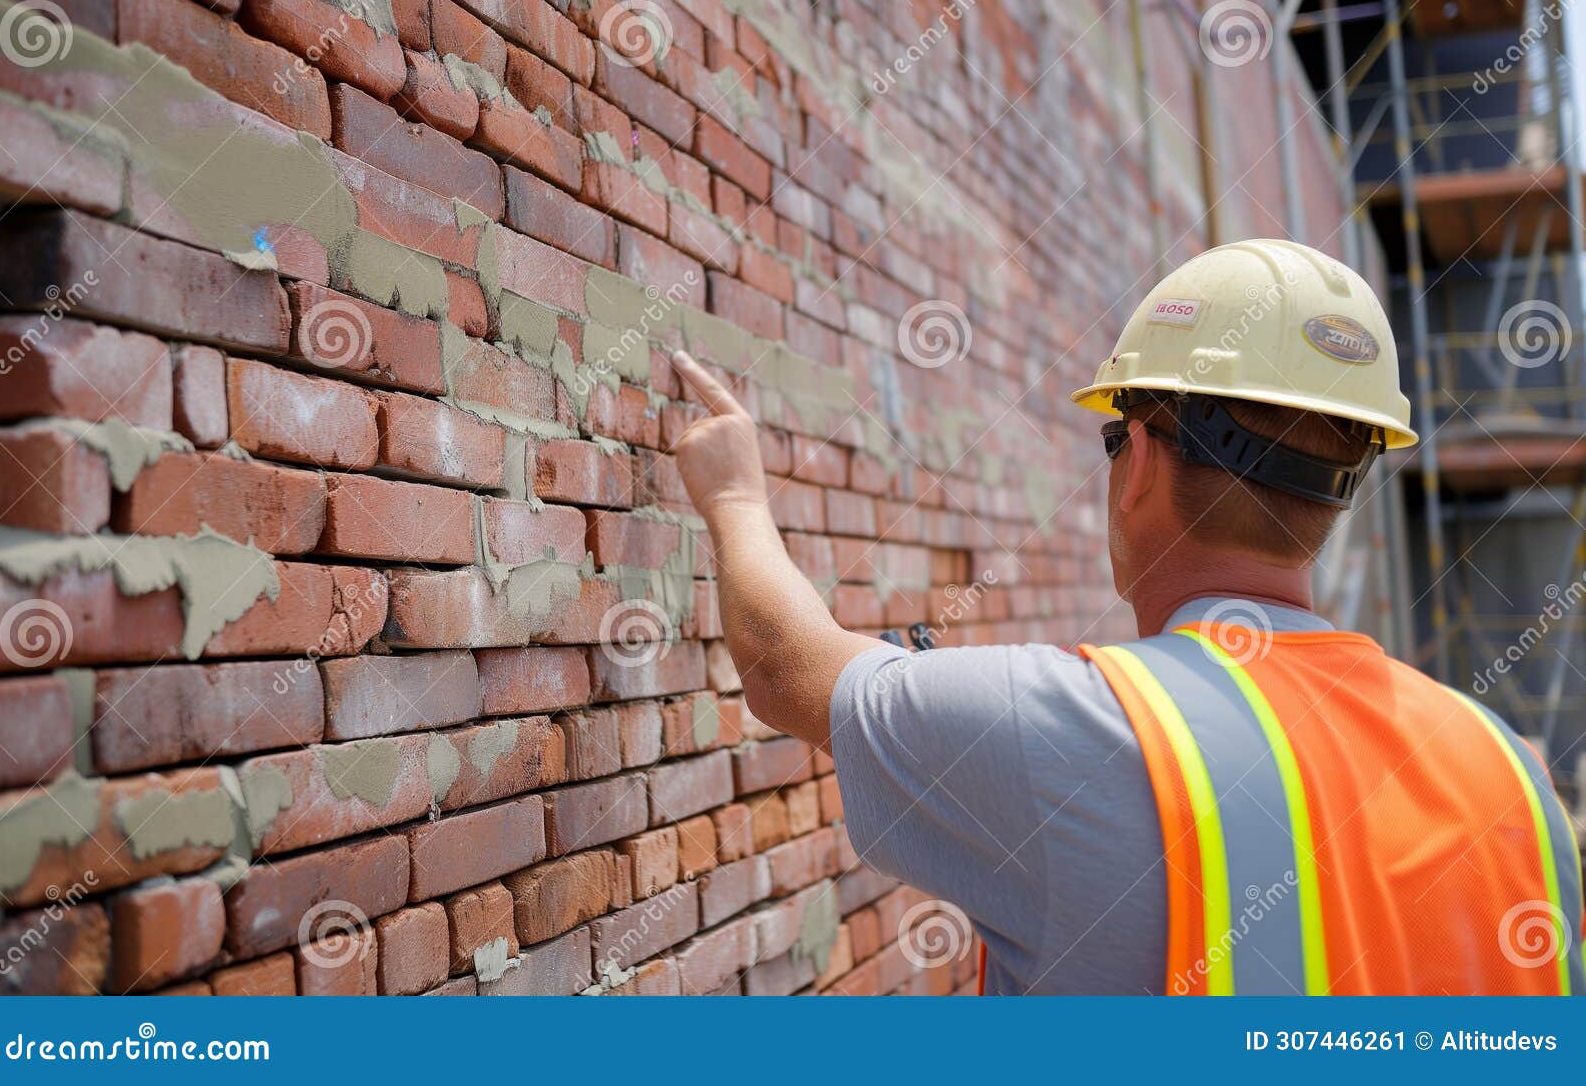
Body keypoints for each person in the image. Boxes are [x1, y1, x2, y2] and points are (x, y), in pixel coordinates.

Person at [669, 238, 1583, 995]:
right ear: (1339, 497)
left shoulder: (1072, 727)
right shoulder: (1513, 772)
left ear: (1138, 458)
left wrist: (737, 499)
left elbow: (786, 667)